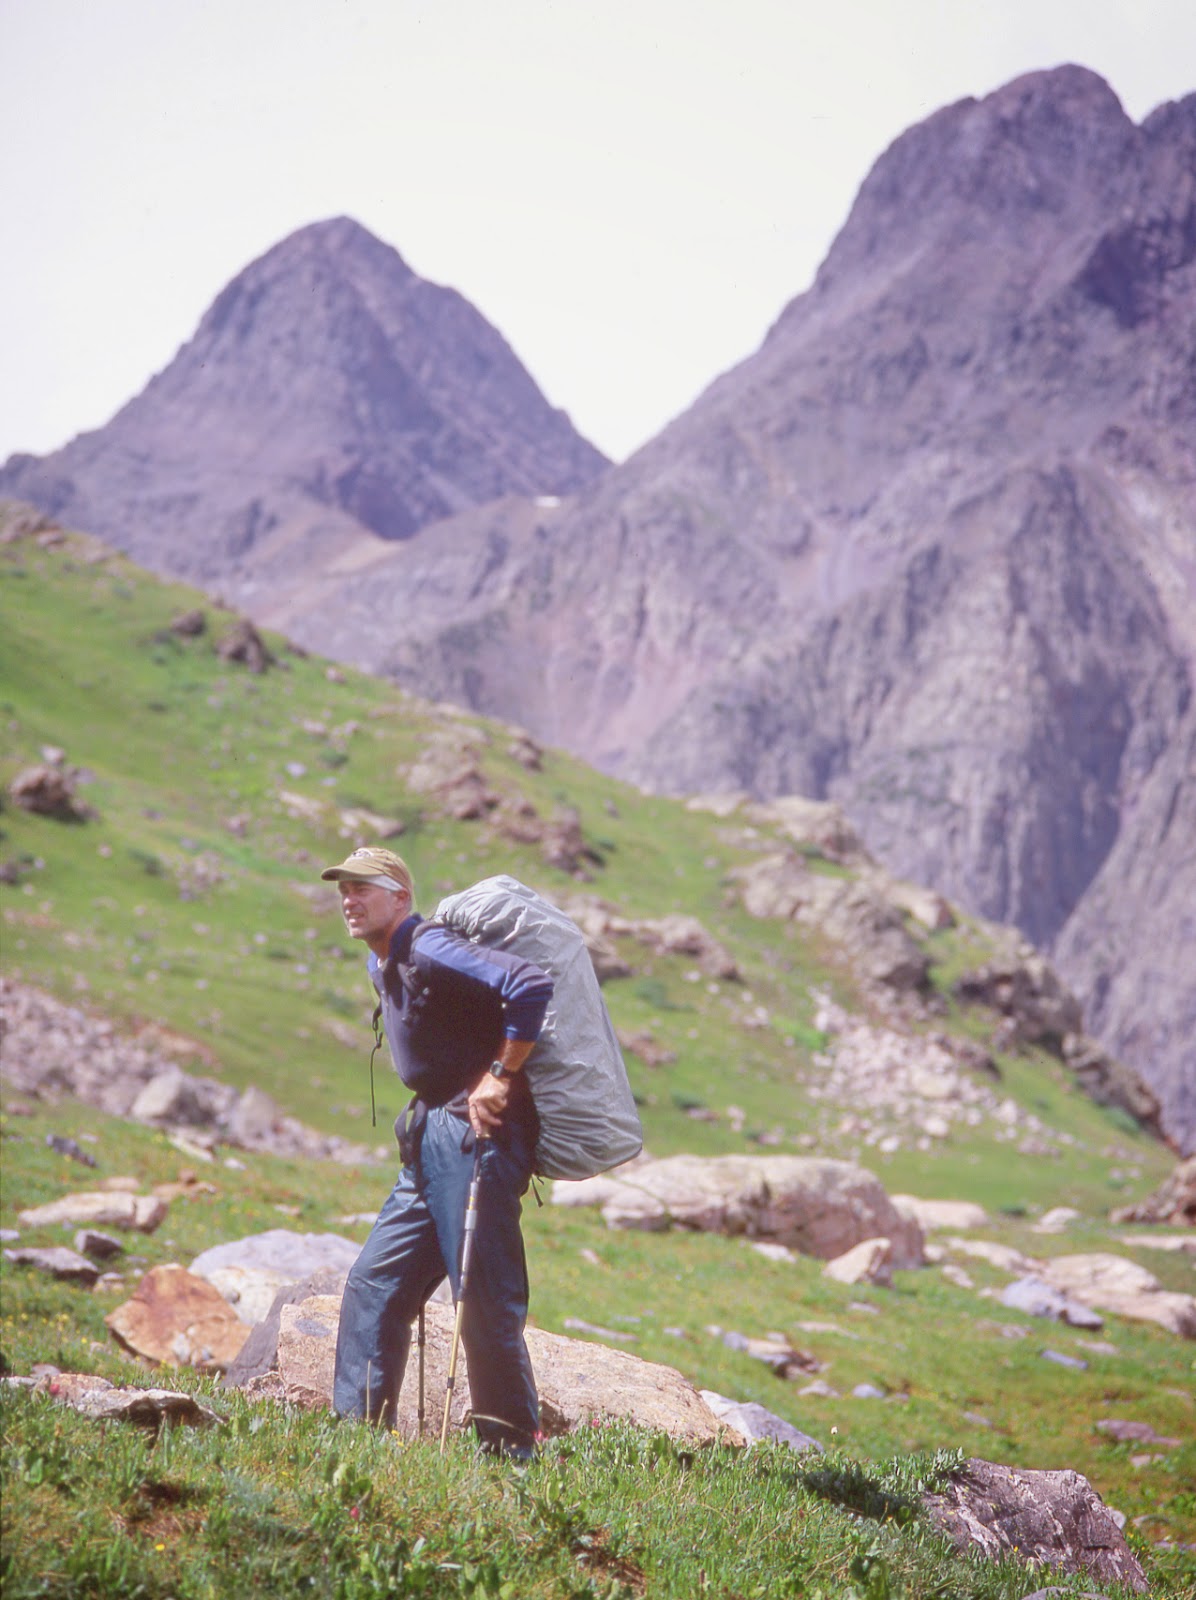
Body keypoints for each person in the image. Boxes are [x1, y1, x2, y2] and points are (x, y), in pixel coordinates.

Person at [321, 845, 553, 1458]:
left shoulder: (427, 946)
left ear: (400, 896)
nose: (349, 899)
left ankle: (509, 1458)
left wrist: (501, 1074)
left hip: (475, 1136)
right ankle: (357, 1441)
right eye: (343, 889)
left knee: (481, 1295)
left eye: (363, 888)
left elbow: (528, 984)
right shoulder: (388, 963)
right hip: (430, 1138)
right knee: (375, 1283)